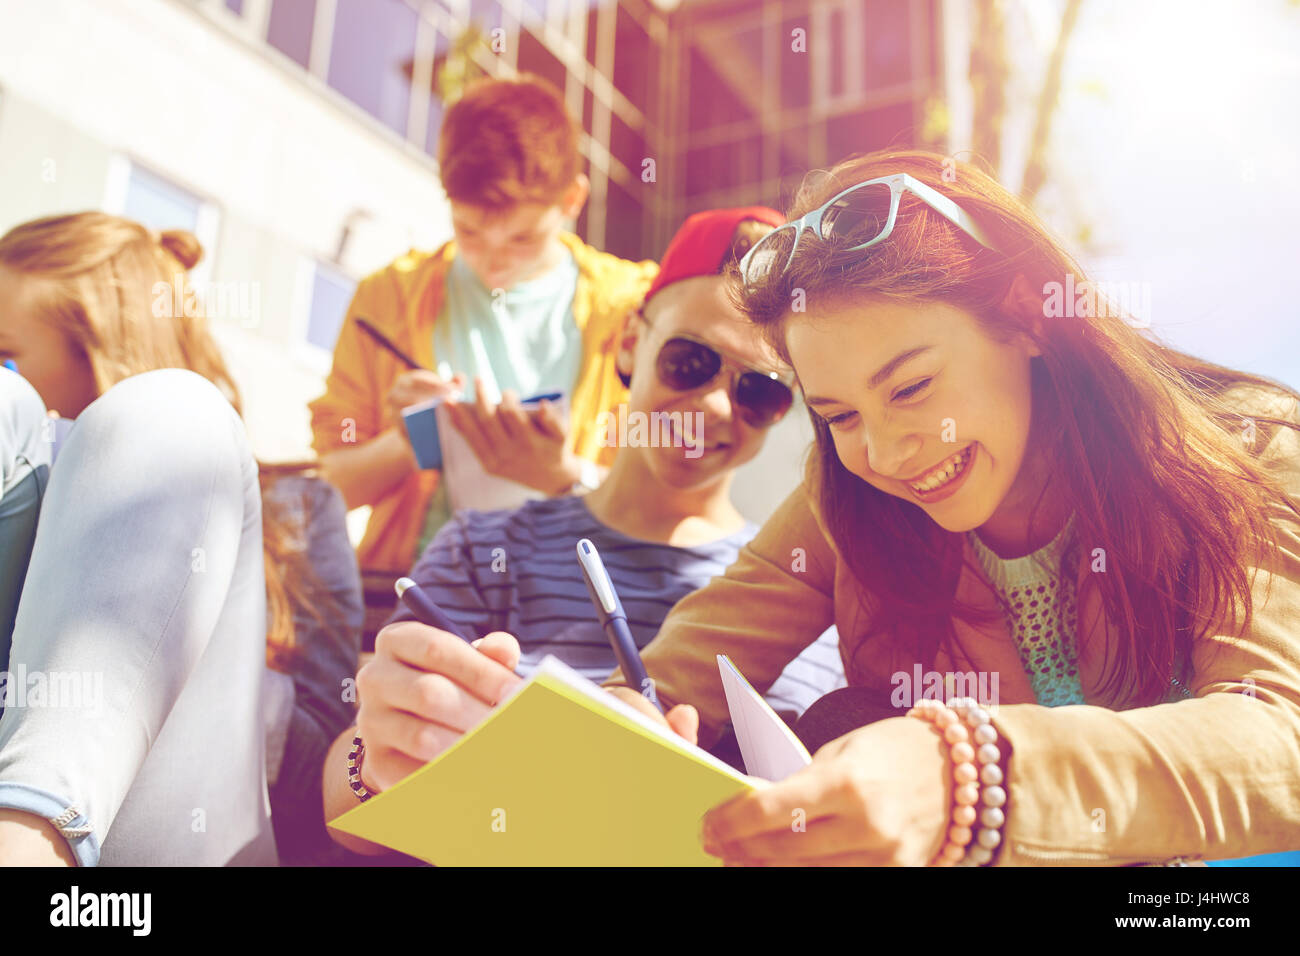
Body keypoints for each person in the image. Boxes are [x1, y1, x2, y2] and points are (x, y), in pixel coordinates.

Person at [588, 149, 1300, 867]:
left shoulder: (1242, 449)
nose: (889, 456)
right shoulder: (841, 491)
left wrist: (970, 776)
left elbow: (1281, 742)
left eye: (911, 388)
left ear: (1026, 316)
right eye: (839, 415)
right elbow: (679, 671)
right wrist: (614, 724)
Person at [322, 208, 845, 854]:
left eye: (760, 391)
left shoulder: (814, 596)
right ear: (630, 341)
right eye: (690, 362)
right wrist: (374, 756)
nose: (714, 406)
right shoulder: (485, 549)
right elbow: (344, 805)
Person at [0, 213, 361, 865]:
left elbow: (321, 774)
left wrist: (176, 633)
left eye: (5, 354)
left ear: (99, 346)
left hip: (176, 839)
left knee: (171, 418)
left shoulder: (298, 508)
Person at [308, 73, 657, 586]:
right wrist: (406, 443)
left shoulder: (636, 308)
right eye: (468, 231)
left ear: (572, 200)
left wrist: (562, 474)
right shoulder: (387, 297)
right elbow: (323, 496)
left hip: (575, 611)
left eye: (522, 239)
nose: (493, 262)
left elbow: (671, 505)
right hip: (408, 601)